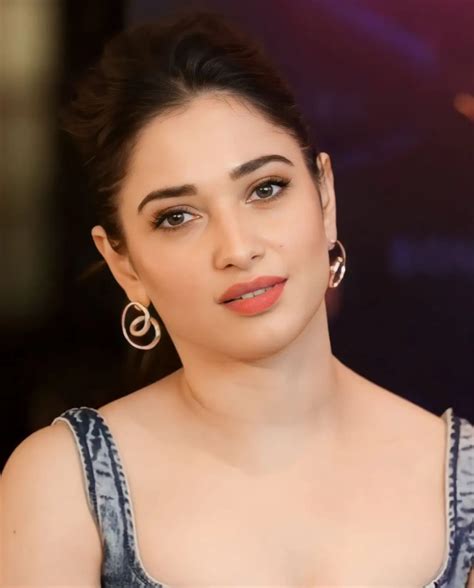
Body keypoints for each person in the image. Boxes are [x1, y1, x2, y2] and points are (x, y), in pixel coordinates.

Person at [1, 9, 472, 588]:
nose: (238, 248)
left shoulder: (461, 480)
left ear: (324, 197)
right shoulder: (62, 486)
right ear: (124, 263)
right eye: (177, 217)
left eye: (265, 189)